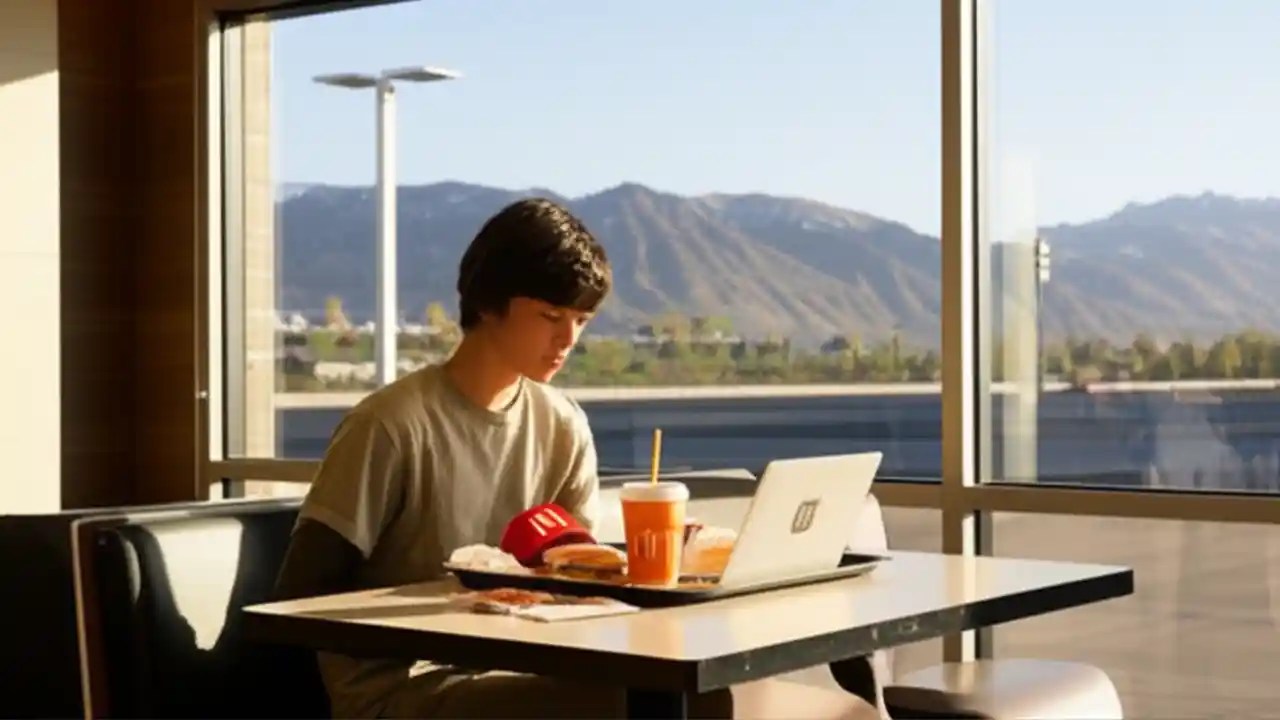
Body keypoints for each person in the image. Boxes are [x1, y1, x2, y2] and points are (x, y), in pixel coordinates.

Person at [274, 197, 881, 719]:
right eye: (550, 316)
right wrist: (457, 604)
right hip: (408, 691)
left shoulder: (561, 423)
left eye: (582, 321)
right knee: (684, 705)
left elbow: (578, 584)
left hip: (522, 663)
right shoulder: (391, 425)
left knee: (788, 698)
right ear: (488, 305)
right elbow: (295, 596)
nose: (568, 340)